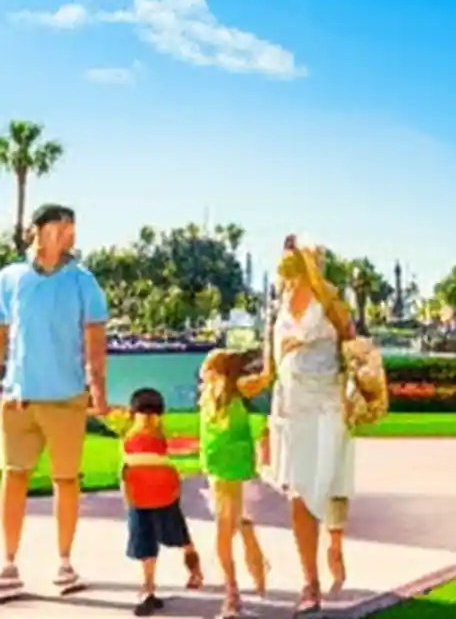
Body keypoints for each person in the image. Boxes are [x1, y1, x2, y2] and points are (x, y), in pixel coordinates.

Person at [0, 203, 109, 595]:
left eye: (72, 229)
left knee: (66, 479)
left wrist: (98, 391)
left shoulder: (83, 281)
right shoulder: (10, 278)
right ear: (38, 230)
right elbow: (2, 335)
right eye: (61, 228)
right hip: (18, 399)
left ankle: (64, 564)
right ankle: (7, 564)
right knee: (13, 476)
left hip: (66, 397)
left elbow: (95, 341)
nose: (69, 235)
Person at [261, 235, 357, 614]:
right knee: (299, 492)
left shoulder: (331, 301)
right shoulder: (279, 305)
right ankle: (310, 582)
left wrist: (357, 392)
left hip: (328, 406)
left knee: (329, 483)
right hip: (292, 408)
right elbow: (270, 365)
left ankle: (334, 543)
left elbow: (353, 347)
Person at [197, 348, 270, 617]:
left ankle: (233, 590)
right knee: (234, 524)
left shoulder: (217, 392)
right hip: (230, 465)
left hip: (224, 465)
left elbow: (263, 378)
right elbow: (266, 377)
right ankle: (235, 588)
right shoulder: (226, 391)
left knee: (229, 525)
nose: (203, 370)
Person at [119, 387, 202, 616]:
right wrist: (128, 498)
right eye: (143, 412)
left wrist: (175, 490)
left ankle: (194, 572)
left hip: (163, 498)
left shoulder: (161, 440)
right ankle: (148, 589)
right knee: (147, 547)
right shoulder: (131, 439)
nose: (148, 418)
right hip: (142, 500)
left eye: (153, 413)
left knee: (181, 540)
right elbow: (126, 471)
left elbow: (174, 467)